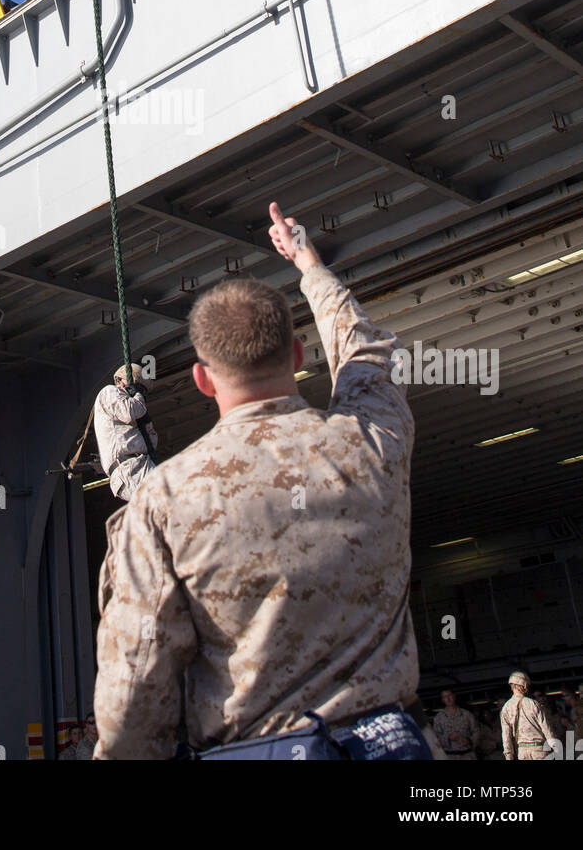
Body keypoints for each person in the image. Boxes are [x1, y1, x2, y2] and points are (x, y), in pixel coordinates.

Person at [91, 202, 439, 760]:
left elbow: (135, 685)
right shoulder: (373, 443)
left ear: (203, 380)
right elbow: (365, 353)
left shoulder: (166, 499)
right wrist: (308, 263)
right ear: (298, 355)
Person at [93, 362, 157, 501]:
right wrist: (138, 396)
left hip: (140, 465)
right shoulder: (109, 392)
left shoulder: (134, 408)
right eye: (139, 387)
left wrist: (146, 423)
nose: (142, 394)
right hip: (129, 468)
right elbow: (129, 411)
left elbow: (152, 442)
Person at [500, 671, 553, 760]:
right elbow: (546, 728)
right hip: (539, 750)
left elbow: (506, 736)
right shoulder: (533, 703)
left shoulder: (506, 708)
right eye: (527, 685)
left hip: (522, 751)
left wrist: (509, 756)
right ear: (522, 685)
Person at [432, 689, 478, 759]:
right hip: (450, 755)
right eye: (444, 697)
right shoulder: (439, 718)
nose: (448, 699)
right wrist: (448, 737)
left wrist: (469, 740)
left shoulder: (467, 714)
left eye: (449, 695)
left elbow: (476, 731)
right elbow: (435, 738)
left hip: (467, 754)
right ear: (442, 700)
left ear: (454, 696)